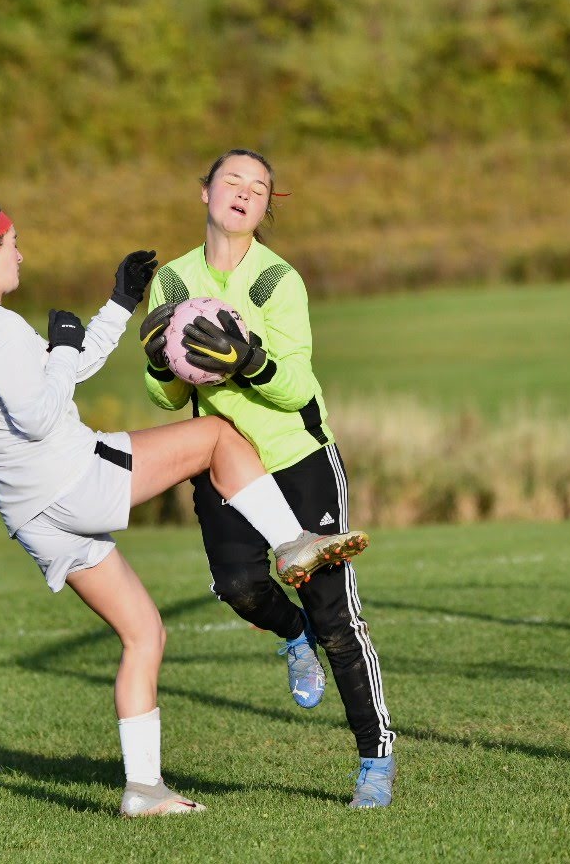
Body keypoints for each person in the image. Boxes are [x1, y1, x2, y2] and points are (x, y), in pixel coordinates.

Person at [0, 196, 367, 818]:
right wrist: (63, 348)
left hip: (33, 517)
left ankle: (143, 789)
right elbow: (40, 414)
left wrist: (118, 304)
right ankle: (292, 543)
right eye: (13, 242)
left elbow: (65, 374)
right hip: (70, 480)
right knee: (218, 438)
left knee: (144, 633)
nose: (20, 253)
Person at [139, 149, 397, 808]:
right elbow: (166, 397)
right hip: (221, 460)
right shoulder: (172, 281)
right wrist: (161, 365)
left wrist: (249, 360)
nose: (244, 192)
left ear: (266, 207)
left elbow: (298, 386)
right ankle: (291, 636)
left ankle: (375, 758)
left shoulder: (277, 280)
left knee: (335, 614)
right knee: (238, 587)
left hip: (297, 457)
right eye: (232, 180)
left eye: (259, 187)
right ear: (204, 193)